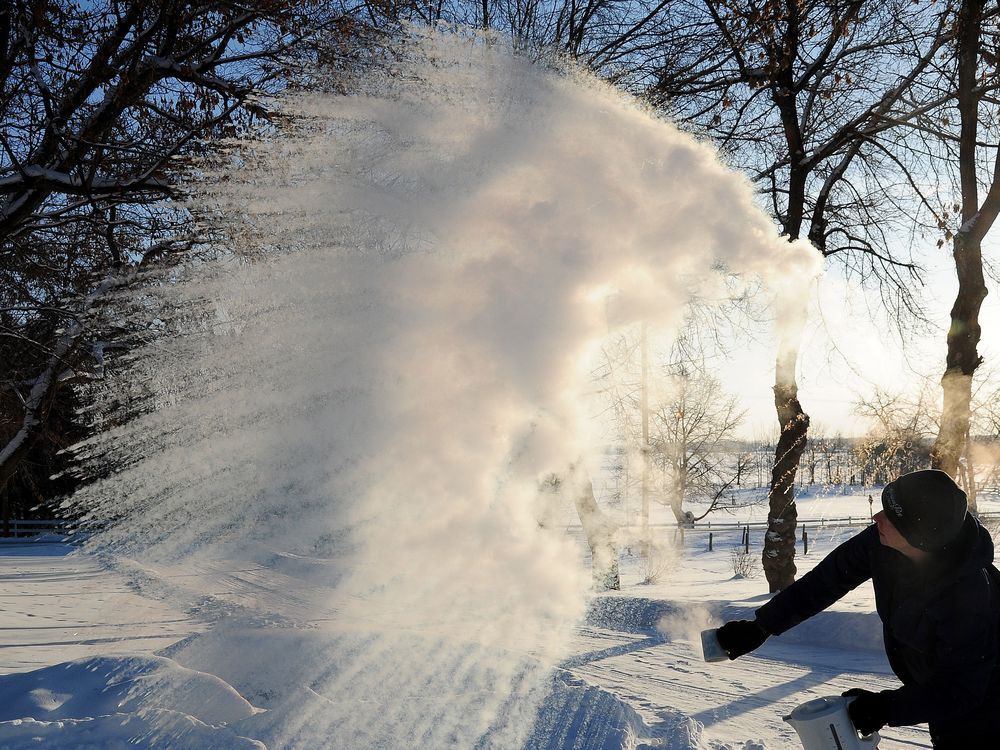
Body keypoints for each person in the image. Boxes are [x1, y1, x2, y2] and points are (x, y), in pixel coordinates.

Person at [715, 469, 1000, 748]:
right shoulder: (884, 542)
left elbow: (960, 688)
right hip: (939, 681)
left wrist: (885, 708)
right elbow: (828, 579)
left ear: (919, 540)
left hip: (984, 695)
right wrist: (762, 626)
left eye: (889, 516)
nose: (877, 517)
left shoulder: (967, 597)